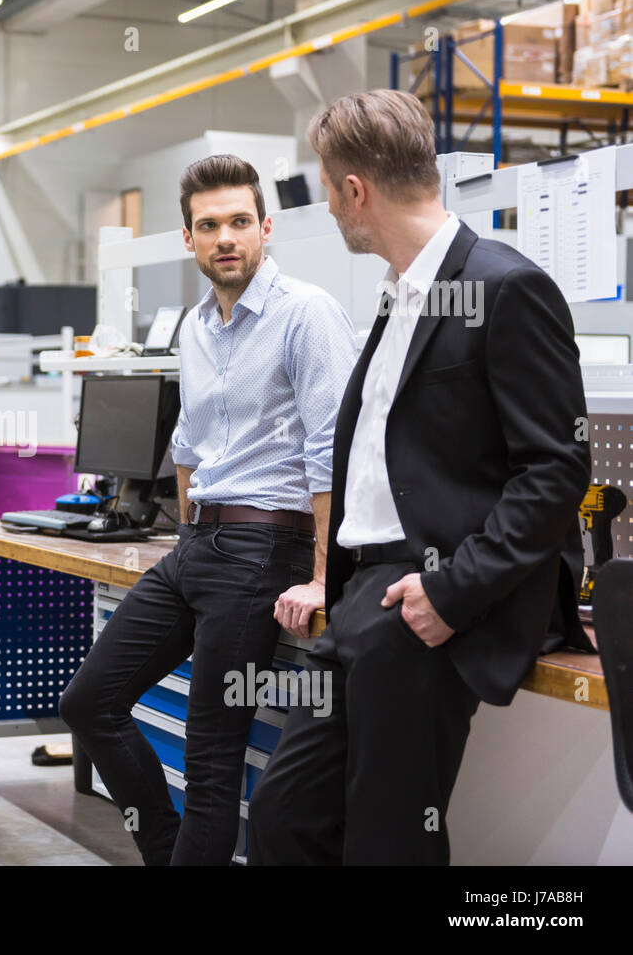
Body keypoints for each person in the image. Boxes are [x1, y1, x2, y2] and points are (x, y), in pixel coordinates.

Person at [248, 89, 592, 865]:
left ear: (355, 191)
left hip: (426, 596)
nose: (333, 213)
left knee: (388, 840)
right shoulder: (400, 293)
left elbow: (556, 466)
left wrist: (452, 589)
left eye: (331, 193)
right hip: (360, 598)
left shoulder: (506, 287)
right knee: (282, 817)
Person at [58, 154, 357, 865]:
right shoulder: (195, 327)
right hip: (199, 545)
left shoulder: (306, 314)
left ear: (266, 228)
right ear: (188, 238)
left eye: (240, 222)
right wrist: (189, 532)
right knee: (87, 703)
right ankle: (166, 852)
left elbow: (333, 455)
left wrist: (323, 578)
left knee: (211, 757)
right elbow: (188, 442)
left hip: (267, 549)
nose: (227, 237)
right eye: (210, 225)